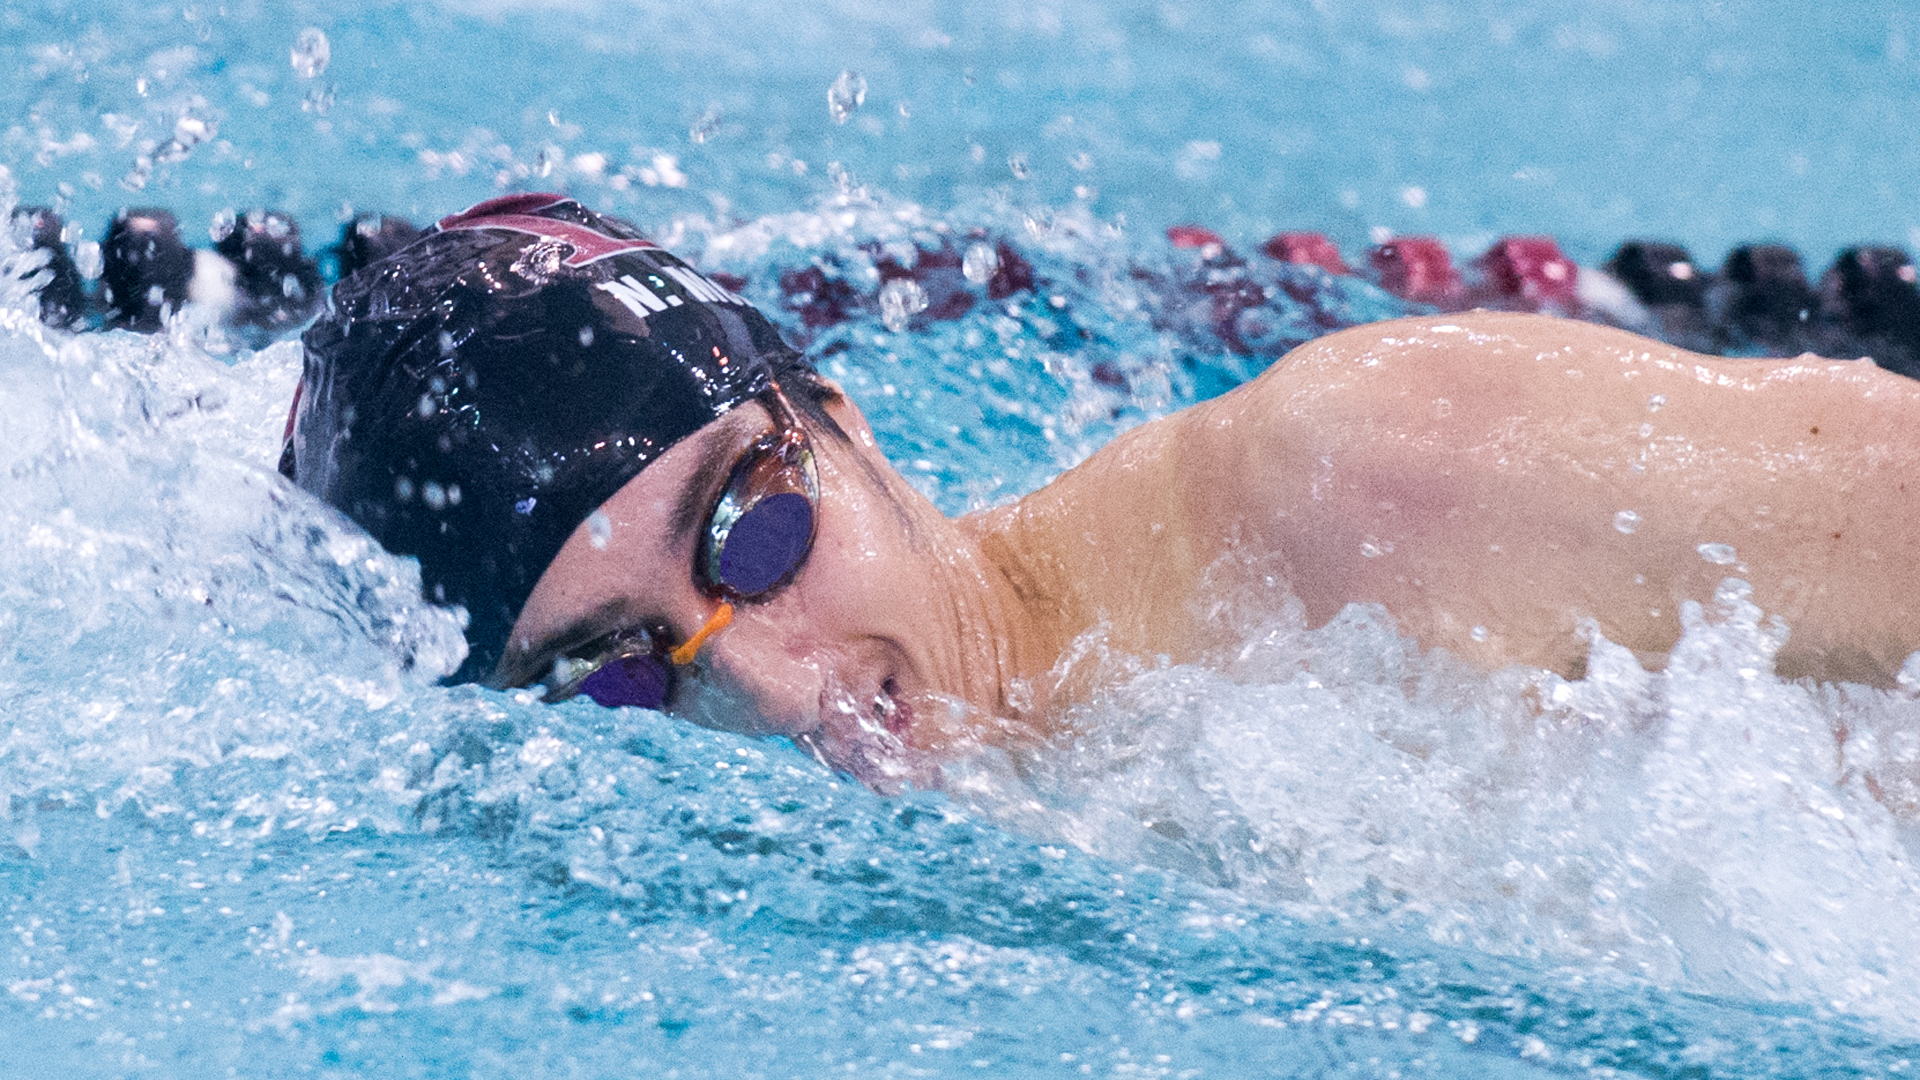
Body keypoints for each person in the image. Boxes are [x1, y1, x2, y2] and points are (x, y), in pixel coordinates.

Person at [287, 195, 1920, 788]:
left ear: (837, 414)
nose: (780, 693)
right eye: (625, 670)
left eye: (755, 532)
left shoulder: (1371, 484)